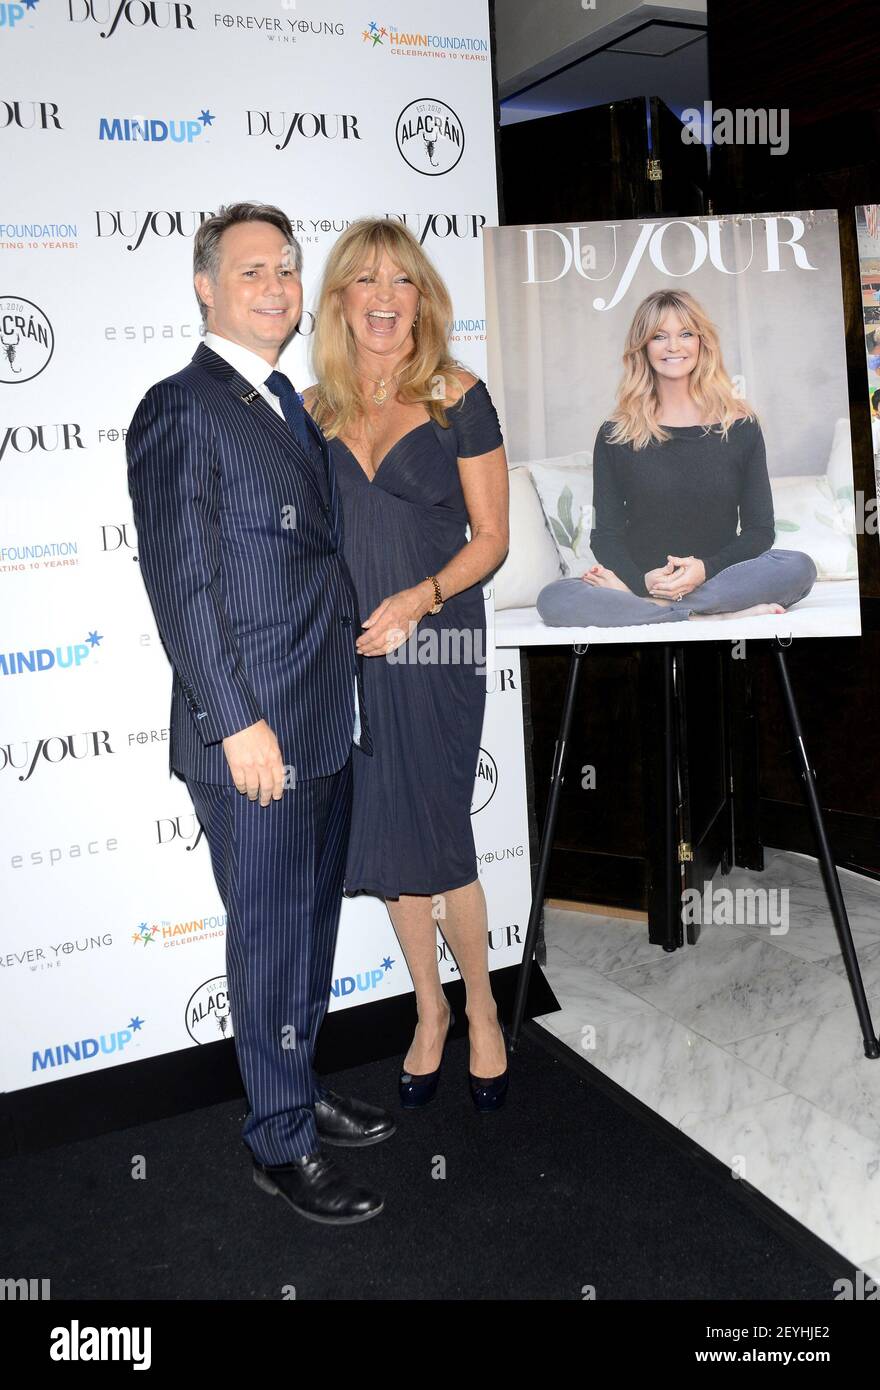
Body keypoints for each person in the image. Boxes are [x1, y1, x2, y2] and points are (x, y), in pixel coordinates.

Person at [126, 202, 394, 1227]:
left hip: (323, 715)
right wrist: (236, 721)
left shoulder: (288, 400)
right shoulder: (180, 407)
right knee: (272, 934)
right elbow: (181, 585)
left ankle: (298, 1081)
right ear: (205, 287)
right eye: (252, 271)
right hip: (254, 736)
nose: (278, 287)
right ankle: (277, 1142)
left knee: (310, 927)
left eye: (287, 268)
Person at [305, 218, 512, 1111]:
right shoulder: (313, 408)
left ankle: (485, 1010)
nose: (385, 297)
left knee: (439, 832)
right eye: (366, 281)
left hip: (437, 641)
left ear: (421, 298)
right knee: (387, 837)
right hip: (350, 654)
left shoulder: (458, 395)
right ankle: (428, 1010)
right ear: (341, 300)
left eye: (402, 281)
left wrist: (419, 599)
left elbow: (494, 538)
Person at [536, 289, 816, 628]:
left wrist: (703, 570)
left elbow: (759, 531)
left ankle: (650, 608)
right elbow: (605, 535)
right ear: (643, 347)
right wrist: (643, 581)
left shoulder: (740, 426)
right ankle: (707, 613)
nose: (673, 346)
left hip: (717, 579)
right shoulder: (616, 434)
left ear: (701, 343)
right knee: (553, 599)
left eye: (685, 334)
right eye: (659, 336)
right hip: (644, 579)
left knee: (798, 567)